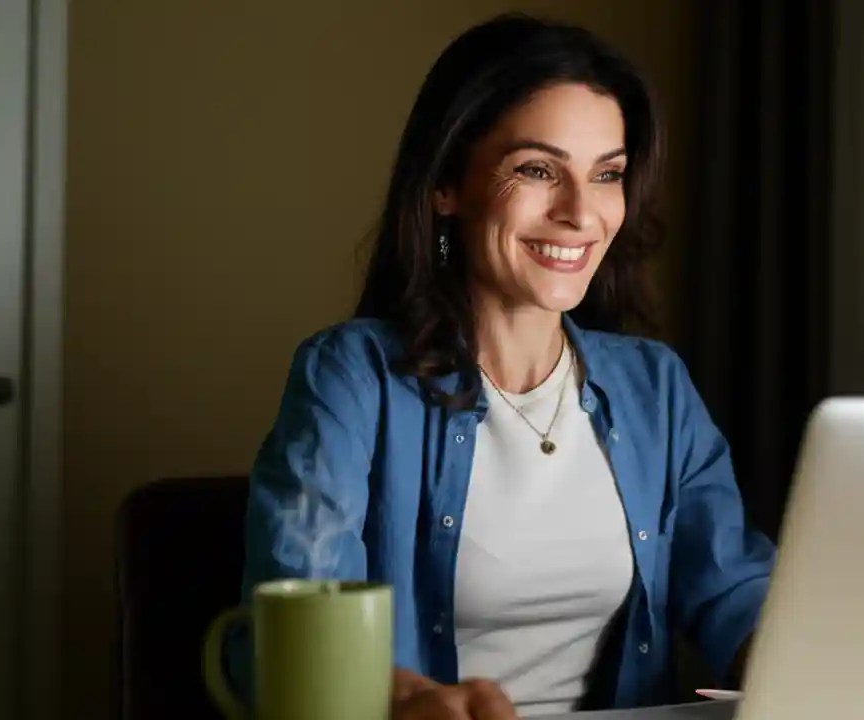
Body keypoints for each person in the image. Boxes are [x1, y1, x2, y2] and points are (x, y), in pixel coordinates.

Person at [237, 13, 775, 719]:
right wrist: (405, 700)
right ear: (446, 186)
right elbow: (293, 638)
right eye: (536, 169)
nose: (581, 213)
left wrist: (818, 661)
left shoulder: (655, 388)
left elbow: (730, 588)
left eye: (607, 174)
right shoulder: (350, 377)